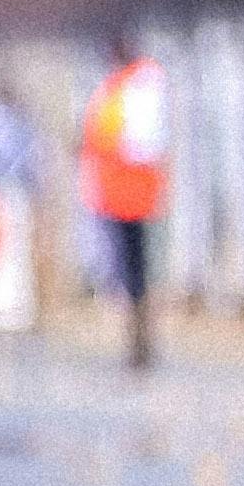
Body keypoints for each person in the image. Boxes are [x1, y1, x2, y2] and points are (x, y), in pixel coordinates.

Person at [80, 44, 171, 371]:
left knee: (134, 272)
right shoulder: (125, 89)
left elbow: (139, 144)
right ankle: (138, 340)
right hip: (123, 194)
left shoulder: (133, 89)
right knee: (132, 271)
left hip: (130, 195)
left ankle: (140, 342)